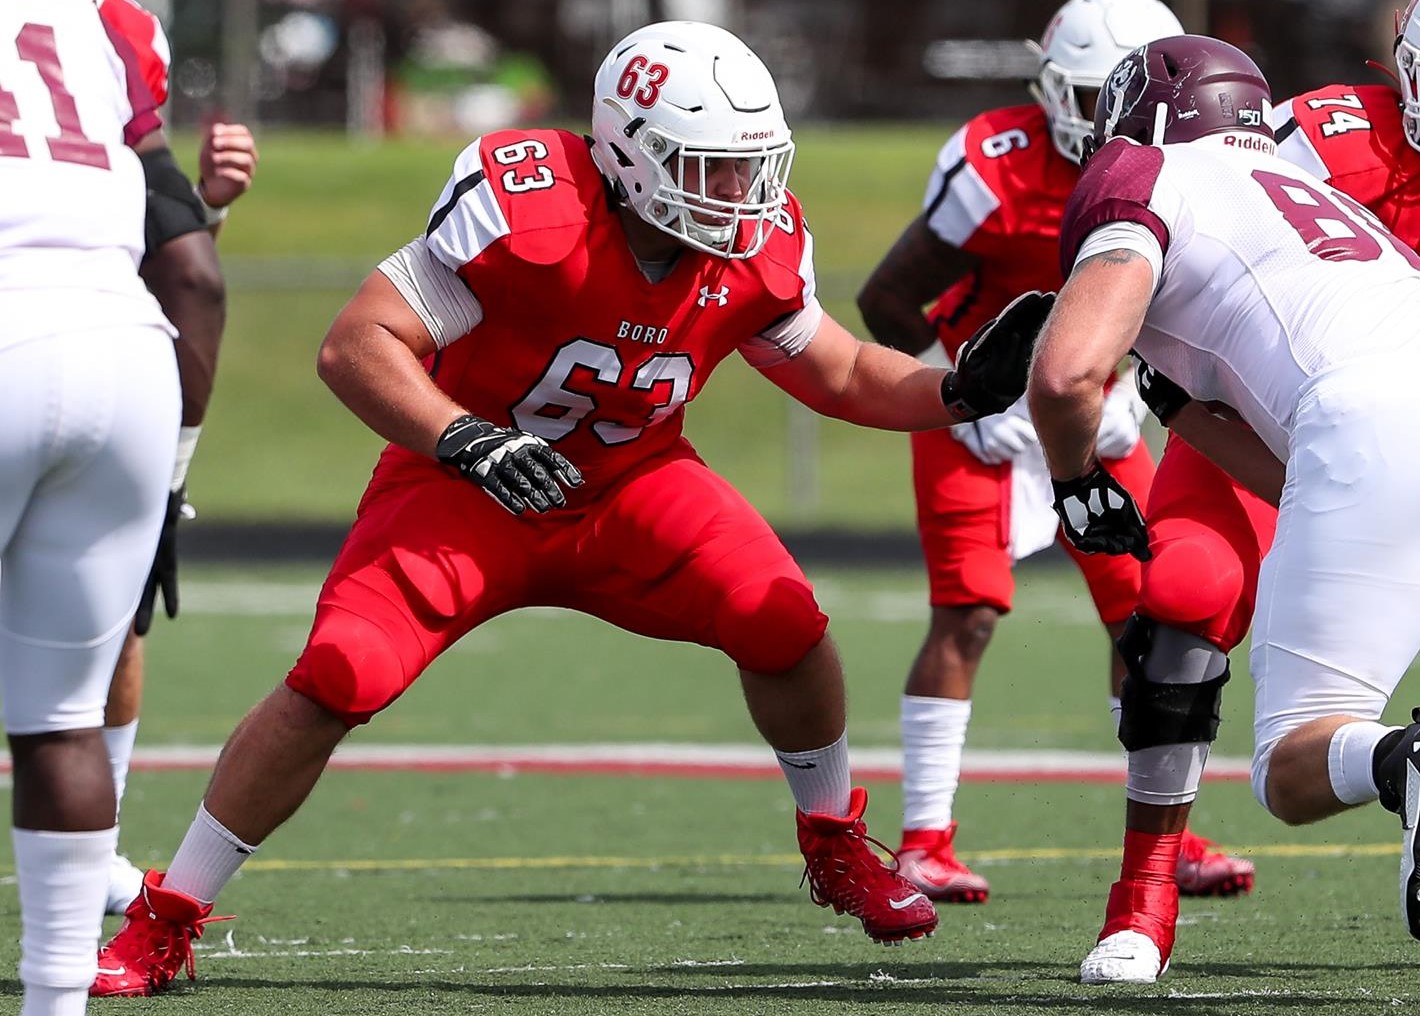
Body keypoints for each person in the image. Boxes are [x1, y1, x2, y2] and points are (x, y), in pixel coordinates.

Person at [89, 20, 1057, 998]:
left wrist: (955, 390)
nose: (735, 194)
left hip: (631, 483)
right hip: (467, 485)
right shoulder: (527, 206)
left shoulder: (754, 247)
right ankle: (168, 917)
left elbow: (842, 369)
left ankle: (835, 840)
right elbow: (358, 341)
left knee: (786, 621)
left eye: (744, 168)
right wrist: (460, 434)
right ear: (628, 150)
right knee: (338, 672)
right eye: (705, 166)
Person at [1025, 33, 1420, 985]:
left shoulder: (1141, 172)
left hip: (1353, 415)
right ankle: (1142, 906)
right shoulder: (1323, 183)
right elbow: (1292, 459)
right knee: (1194, 585)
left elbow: (1070, 371)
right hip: (1349, 415)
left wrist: (1078, 485)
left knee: (1292, 771)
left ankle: (1408, 761)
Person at [855, 0, 1252, 904]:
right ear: (1049, 87)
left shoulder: (1188, 168)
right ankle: (923, 840)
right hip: (986, 419)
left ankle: (1170, 834)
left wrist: (1131, 393)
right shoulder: (993, 162)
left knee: (1155, 616)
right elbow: (888, 295)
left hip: (1100, 417)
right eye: (1086, 92)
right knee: (969, 615)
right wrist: (956, 395)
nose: (1101, 112)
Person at [0, 2, 182, 1013]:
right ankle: (55, 1003)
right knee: (62, 724)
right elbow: (189, 260)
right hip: (125, 346)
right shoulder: (104, 22)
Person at [95, 0, 261, 916]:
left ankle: (93, 856)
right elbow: (190, 277)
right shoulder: (114, 28)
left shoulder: (122, 30)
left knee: (107, 611)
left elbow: (168, 253)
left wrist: (209, 212)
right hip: (78, 360)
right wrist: (171, 474)